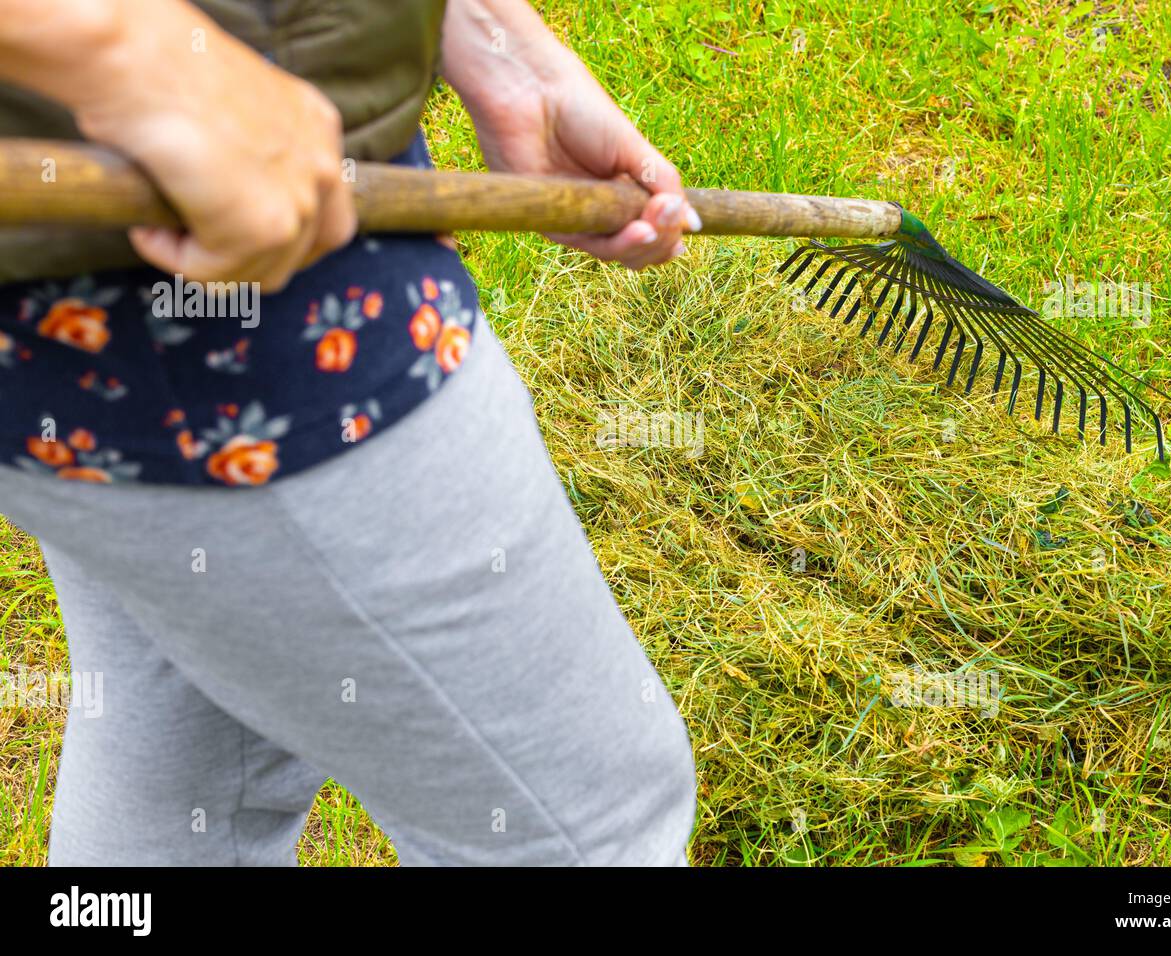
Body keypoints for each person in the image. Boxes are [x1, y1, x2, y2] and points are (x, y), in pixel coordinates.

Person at [0, 0, 698, 866]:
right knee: (588, 824)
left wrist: (496, 42)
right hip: (198, 277)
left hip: (235, 172)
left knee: (203, 757)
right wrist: (130, 53)